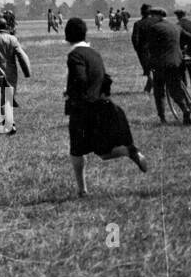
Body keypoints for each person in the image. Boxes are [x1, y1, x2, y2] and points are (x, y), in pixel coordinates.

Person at [62, 17, 147, 196]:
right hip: (99, 106)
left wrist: (70, 92)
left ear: (67, 35)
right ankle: (128, 150)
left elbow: (80, 78)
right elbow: (105, 79)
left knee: (76, 150)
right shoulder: (94, 53)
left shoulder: (75, 55)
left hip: (82, 108)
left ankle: (82, 189)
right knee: (103, 152)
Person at [144, 8, 191, 125]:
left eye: (152, 16)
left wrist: (148, 66)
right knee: (175, 89)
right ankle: (185, 109)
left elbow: (150, 48)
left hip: (161, 65)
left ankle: (162, 118)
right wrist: (190, 51)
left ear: (158, 16)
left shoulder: (154, 28)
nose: (151, 18)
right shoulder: (176, 27)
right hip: (177, 63)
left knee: (159, 92)